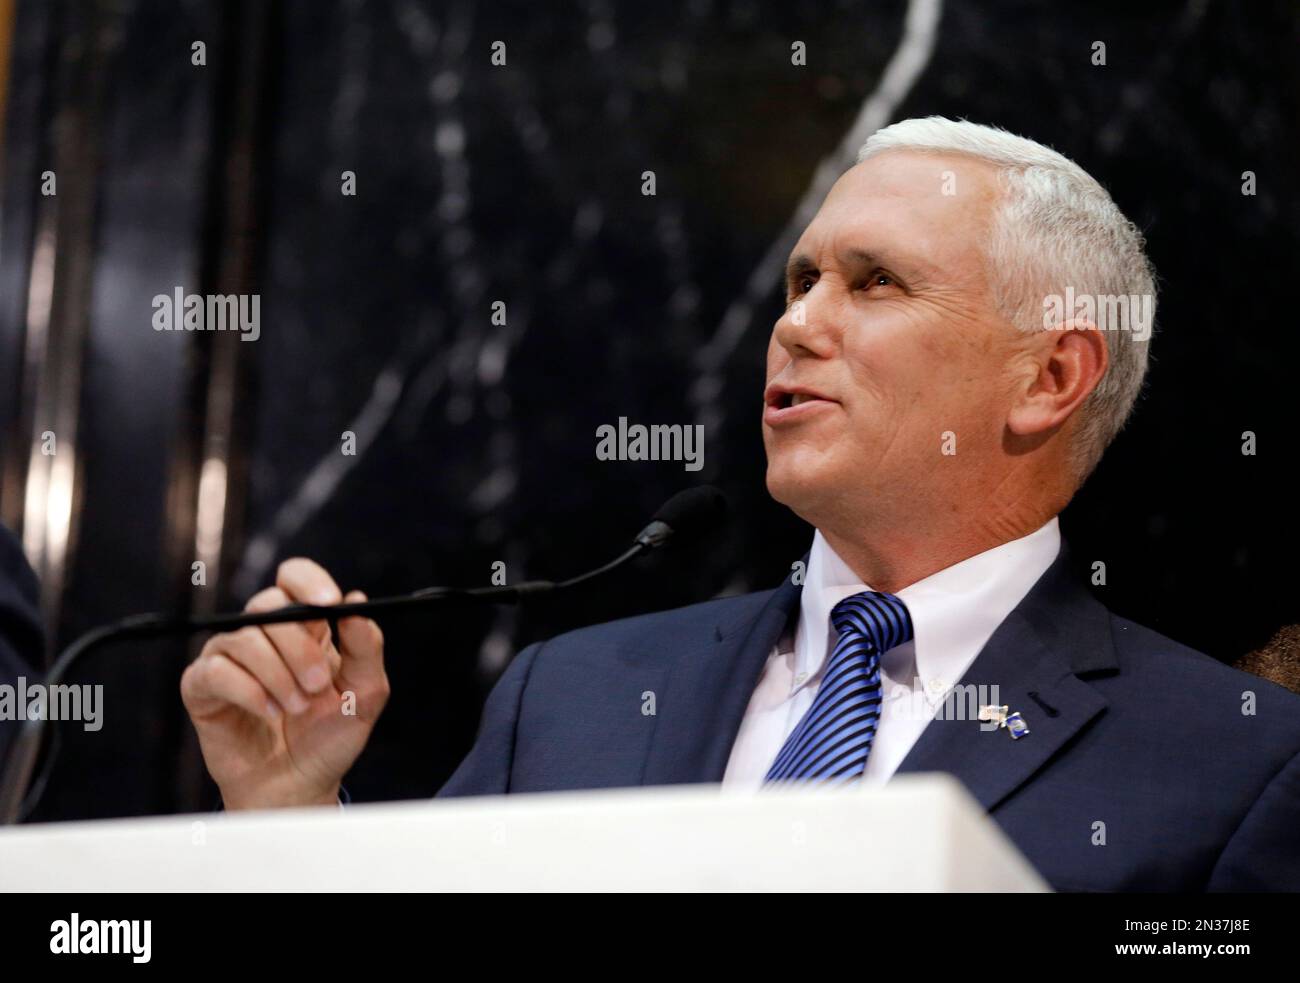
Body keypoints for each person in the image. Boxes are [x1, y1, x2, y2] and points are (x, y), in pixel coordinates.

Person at [180, 117, 1300, 891]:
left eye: (875, 282)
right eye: (799, 280)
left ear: (1050, 377)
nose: (800, 322)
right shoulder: (568, 696)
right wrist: (290, 816)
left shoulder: (1234, 763)